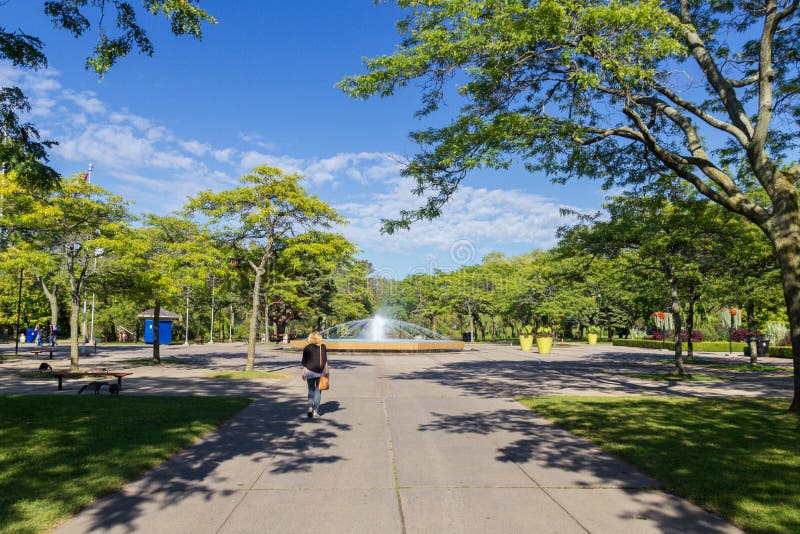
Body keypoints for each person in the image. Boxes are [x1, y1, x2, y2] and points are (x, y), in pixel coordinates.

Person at [301, 330, 329, 418]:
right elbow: (325, 360)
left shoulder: (307, 347)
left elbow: (304, 361)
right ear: (319, 337)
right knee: (318, 392)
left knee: (311, 390)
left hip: (309, 371)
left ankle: (310, 408)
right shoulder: (323, 347)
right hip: (320, 371)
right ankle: (315, 412)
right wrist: (327, 371)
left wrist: (303, 371)